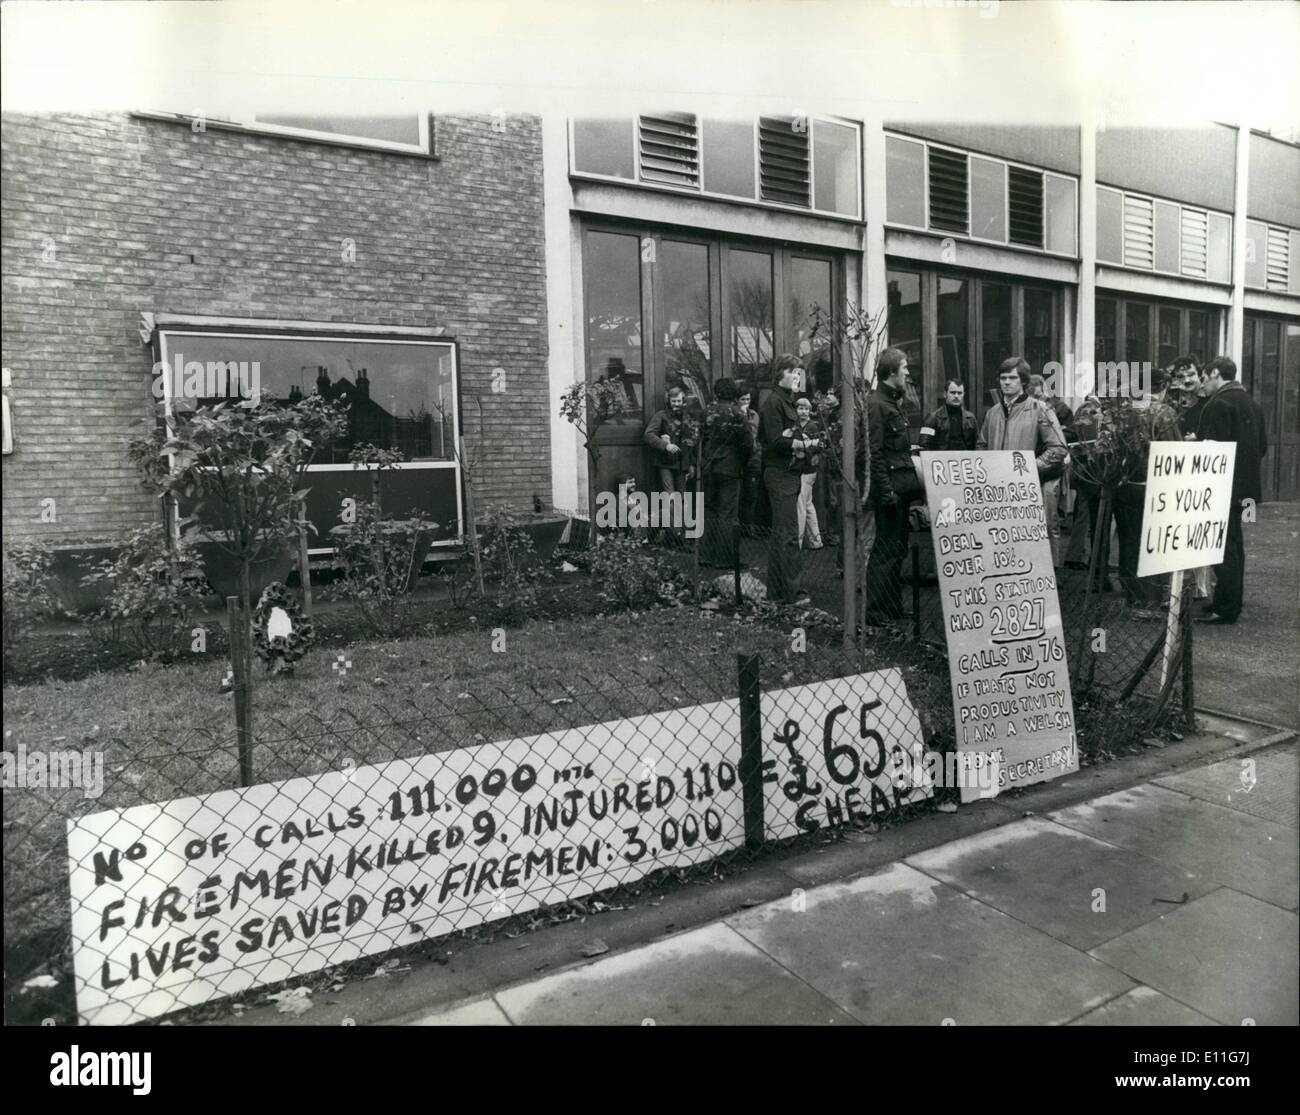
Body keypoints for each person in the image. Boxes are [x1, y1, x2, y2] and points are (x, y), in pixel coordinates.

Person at [1194, 356, 1268, 625]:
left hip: (1222, 487)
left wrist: (1196, 442)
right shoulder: (1252, 403)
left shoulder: (1219, 404)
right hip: (1246, 489)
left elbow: (1211, 452)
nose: (1204, 385)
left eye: (1204, 378)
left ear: (1215, 373)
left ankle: (1225, 608)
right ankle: (1229, 601)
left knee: (1222, 547)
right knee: (1235, 545)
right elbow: (1262, 447)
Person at [977, 357, 1069, 564]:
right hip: (998, 490)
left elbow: (1059, 448)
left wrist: (1029, 468)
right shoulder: (992, 413)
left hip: (1030, 488)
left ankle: (1048, 579)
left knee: (1035, 539)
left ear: (1024, 382)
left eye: (1012, 378)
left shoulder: (1040, 409)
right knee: (1002, 537)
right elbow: (981, 445)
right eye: (1002, 378)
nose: (1006, 382)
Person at [1113, 367, 1182, 619]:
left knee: (1129, 542)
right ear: (1162, 388)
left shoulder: (1123, 412)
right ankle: (1152, 600)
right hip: (1153, 487)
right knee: (1154, 543)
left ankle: (1134, 599)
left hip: (1125, 485)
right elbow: (1174, 453)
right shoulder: (1164, 412)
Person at [864, 347, 921, 626]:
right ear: (891, 372)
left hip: (900, 488)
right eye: (904, 367)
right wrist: (885, 490)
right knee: (885, 551)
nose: (907, 372)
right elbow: (874, 452)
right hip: (890, 491)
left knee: (897, 549)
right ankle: (876, 613)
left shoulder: (891, 402)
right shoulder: (877, 404)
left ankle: (891, 607)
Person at [759, 355, 813, 606]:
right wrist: (799, 443)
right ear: (781, 373)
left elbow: (786, 436)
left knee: (783, 533)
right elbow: (773, 441)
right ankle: (793, 593)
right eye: (793, 372)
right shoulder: (774, 403)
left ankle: (778, 592)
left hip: (789, 473)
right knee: (788, 535)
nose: (797, 377)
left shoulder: (787, 401)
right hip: (780, 474)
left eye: (799, 373)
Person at [1171, 355, 1213, 602]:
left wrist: (1195, 440)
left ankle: (1202, 586)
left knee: (1200, 529)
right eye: (1181, 376)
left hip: (1199, 474)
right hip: (1176, 473)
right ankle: (1181, 584)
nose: (1186, 380)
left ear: (1200, 376)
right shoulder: (1173, 403)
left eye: (1191, 375)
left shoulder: (1208, 404)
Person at [699, 378, 754, 568]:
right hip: (730, 467)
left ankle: (706, 555)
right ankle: (725, 559)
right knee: (727, 513)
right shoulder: (738, 414)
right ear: (734, 394)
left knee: (709, 510)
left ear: (716, 392)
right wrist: (742, 462)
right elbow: (748, 443)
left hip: (708, 466)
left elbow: (697, 439)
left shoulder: (706, 412)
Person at [1028, 372, 1076, 567]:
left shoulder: (1059, 408)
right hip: (1036, 468)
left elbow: (1073, 432)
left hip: (1049, 471)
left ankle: (1053, 565)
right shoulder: (1027, 410)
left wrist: (1058, 432)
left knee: (1050, 520)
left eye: (1037, 394)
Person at [644, 385, 693, 544]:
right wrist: (665, 445)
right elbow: (649, 435)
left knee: (682, 500)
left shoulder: (688, 417)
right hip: (665, 464)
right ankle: (671, 535)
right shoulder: (662, 415)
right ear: (668, 401)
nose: (677, 404)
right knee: (670, 498)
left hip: (682, 465)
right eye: (674, 401)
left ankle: (680, 535)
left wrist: (691, 464)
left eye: (679, 400)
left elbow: (692, 441)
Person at [793, 394, 824, 549]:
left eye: (806, 409)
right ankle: (815, 540)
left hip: (807, 469)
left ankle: (799, 541)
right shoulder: (796, 424)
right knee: (807, 504)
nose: (803, 412)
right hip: (804, 468)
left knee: (801, 504)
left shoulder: (812, 427)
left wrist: (805, 444)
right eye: (800, 408)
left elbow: (818, 446)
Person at [919, 379, 977, 452]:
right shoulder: (932, 418)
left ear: (963, 395)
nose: (956, 396)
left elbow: (976, 445)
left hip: (964, 461)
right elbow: (924, 445)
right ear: (945, 394)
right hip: (941, 461)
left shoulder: (971, 418)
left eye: (959, 393)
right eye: (952, 393)